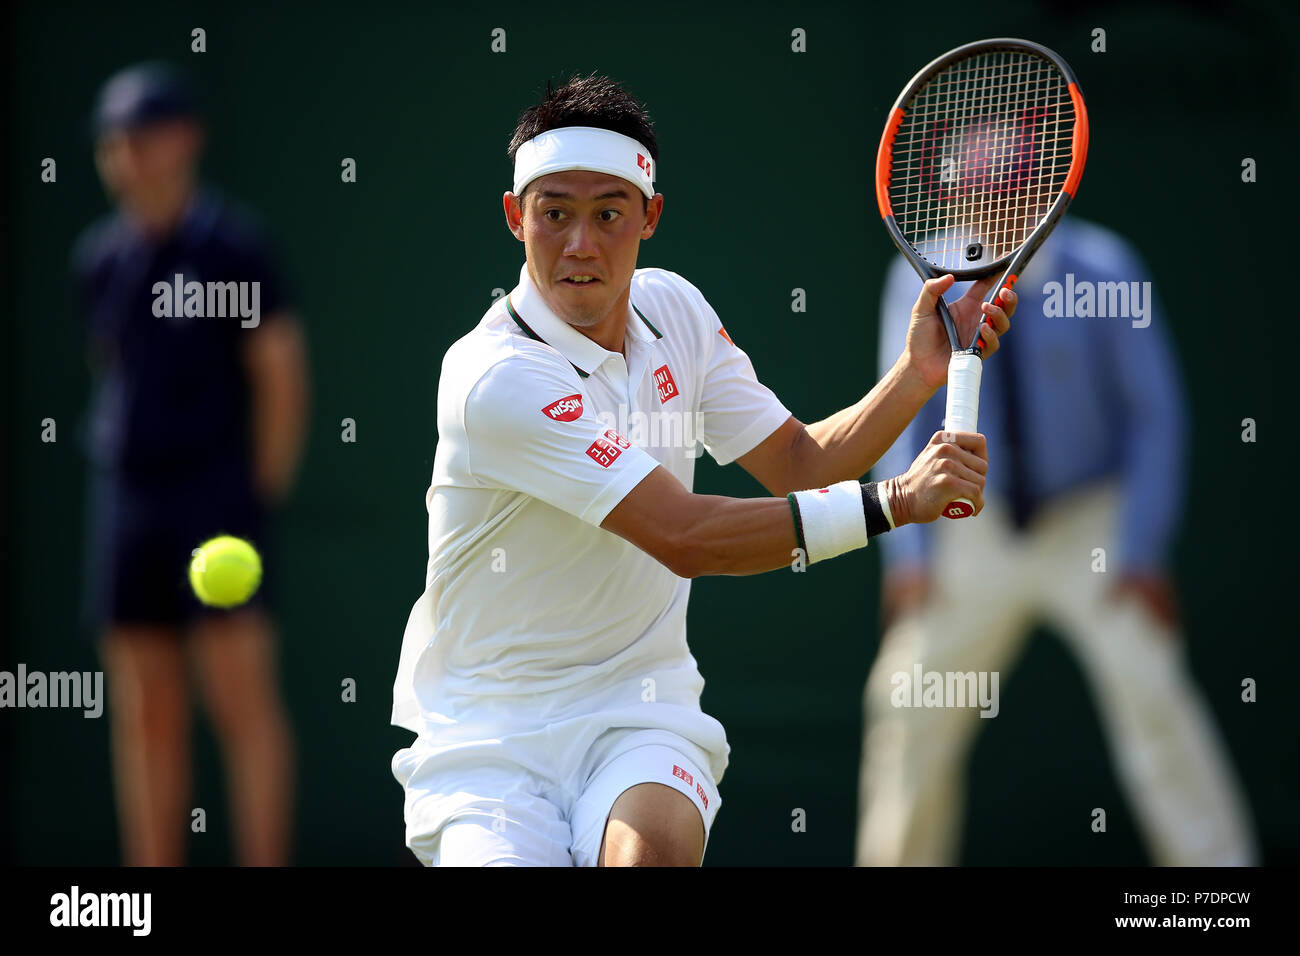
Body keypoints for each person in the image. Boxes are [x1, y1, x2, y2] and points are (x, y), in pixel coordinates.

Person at [389, 74, 1017, 867]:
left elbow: (798, 461)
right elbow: (683, 537)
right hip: (488, 743)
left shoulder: (674, 310)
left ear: (650, 215)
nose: (580, 243)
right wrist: (893, 502)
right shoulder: (494, 379)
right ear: (517, 218)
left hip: (639, 711)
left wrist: (917, 373)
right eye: (555, 215)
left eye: (608, 214)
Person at [856, 216, 1258, 866]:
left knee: (1151, 687)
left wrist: (1140, 549)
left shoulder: (1107, 266)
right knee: (907, 701)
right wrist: (910, 555)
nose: (990, 208)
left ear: (1041, 194)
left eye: (1010, 189)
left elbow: (1153, 416)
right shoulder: (922, 277)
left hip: (1090, 522)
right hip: (971, 522)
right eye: (974, 190)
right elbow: (901, 417)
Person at [73, 62, 310, 866]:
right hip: (128, 502)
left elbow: (281, 374)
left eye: (143, 135)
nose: (126, 154)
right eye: (114, 141)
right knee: (144, 712)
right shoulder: (99, 259)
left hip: (218, 502)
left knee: (242, 707)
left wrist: (253, 495)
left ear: (187, 141)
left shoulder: (234, 248)